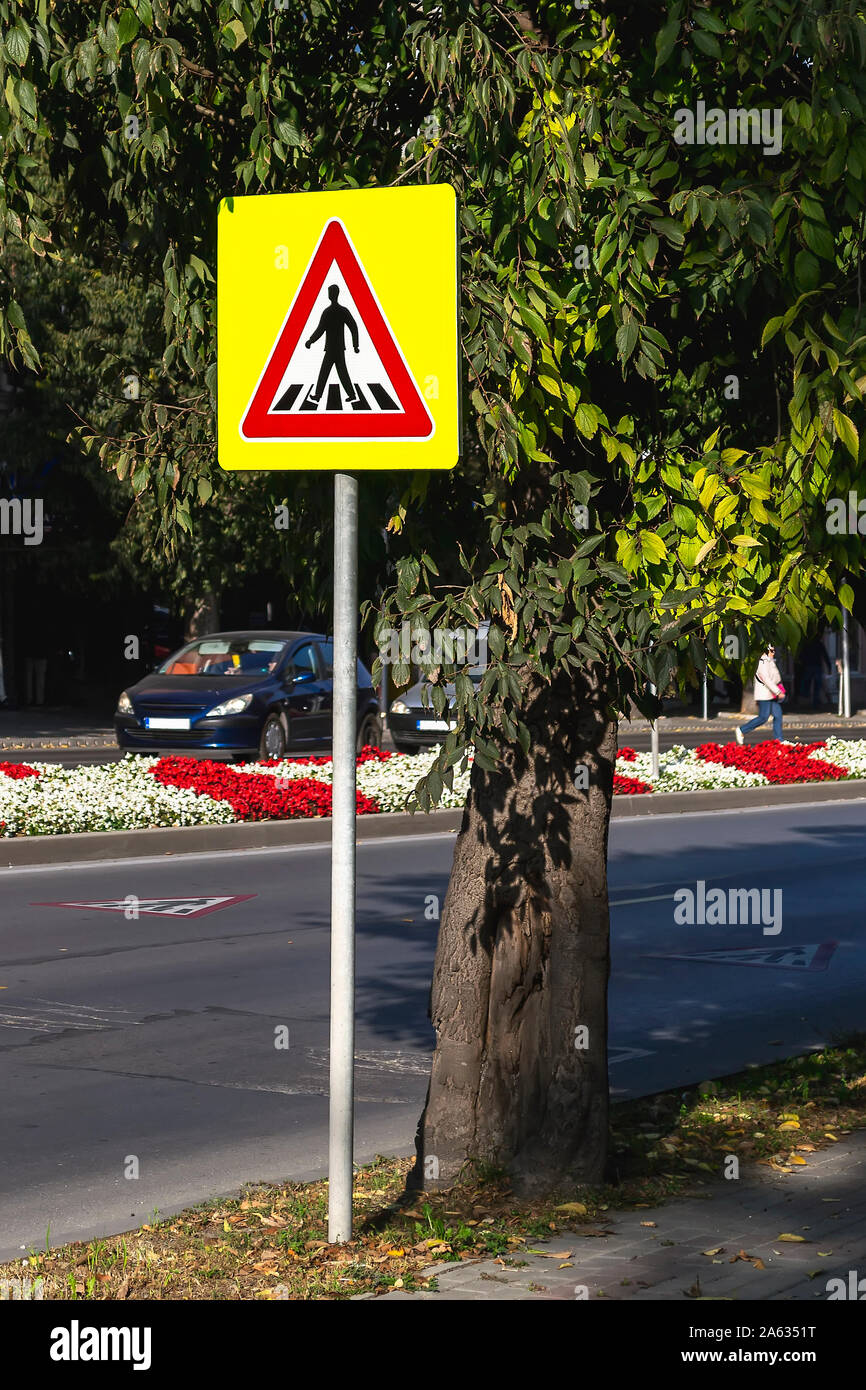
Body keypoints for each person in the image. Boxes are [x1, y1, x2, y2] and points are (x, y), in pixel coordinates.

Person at [736, 643, 784, 743]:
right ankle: (742, 730)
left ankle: (779, 740)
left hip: (771, 694)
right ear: (766, 651)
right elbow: (766, 679)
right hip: (765, 694)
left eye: (774, 651)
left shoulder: (769, 661)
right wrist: (778, 691)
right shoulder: (762, 662)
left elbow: (775, 676)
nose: (773, 653)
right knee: (763, 717)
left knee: (778, 715)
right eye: (771, 651)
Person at [799, 633, 832, 708]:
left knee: (806, 683)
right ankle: (815, 702)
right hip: (817, 666)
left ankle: (806, 698)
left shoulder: (807, 645)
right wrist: (829, 667)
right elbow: (825, 656)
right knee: (817, 685)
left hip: (809, 666)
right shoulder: (819, 644)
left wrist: (802, 664)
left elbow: (802, 655)